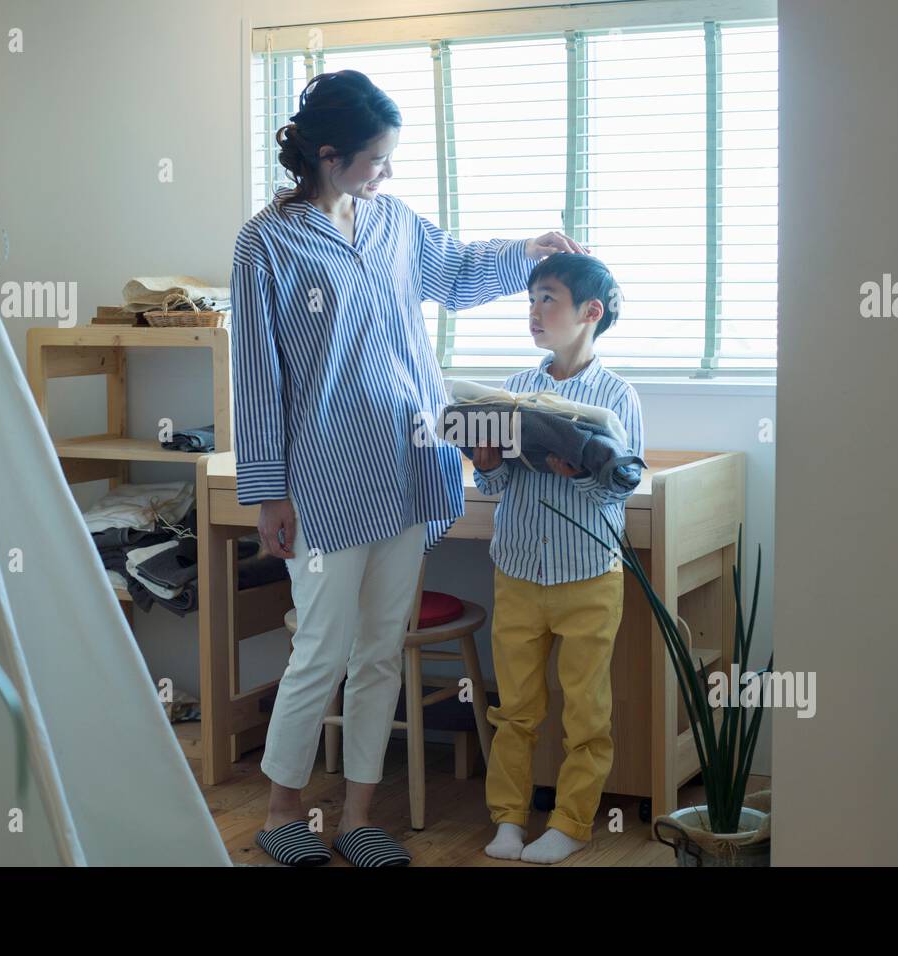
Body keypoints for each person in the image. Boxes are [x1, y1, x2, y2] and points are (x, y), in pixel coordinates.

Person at [230, 69, 587, 867]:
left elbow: (456, 271)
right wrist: (268, 495)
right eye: (377, 160)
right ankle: (283, 809)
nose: (387, 174)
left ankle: (357, 816)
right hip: (322, 480)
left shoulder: (393, 223)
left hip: (407, 463)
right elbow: (255, 377)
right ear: (330, 155)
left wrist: (526, 251)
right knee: (321, 646)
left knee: (381, 650)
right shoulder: (266, 243)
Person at [468, 253, 644, 864]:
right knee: (513, 708)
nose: (535, 312)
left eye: (549, 299)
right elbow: (494, 487)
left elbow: (624, 483)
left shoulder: (617, 396)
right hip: (517, 569)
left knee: (586, 711)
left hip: (588, 576)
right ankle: (509, 819)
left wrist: (582, 474)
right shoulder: (513, 390)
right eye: (531, 299)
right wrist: (486, 464)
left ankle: (571, 822)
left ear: (590, 312)